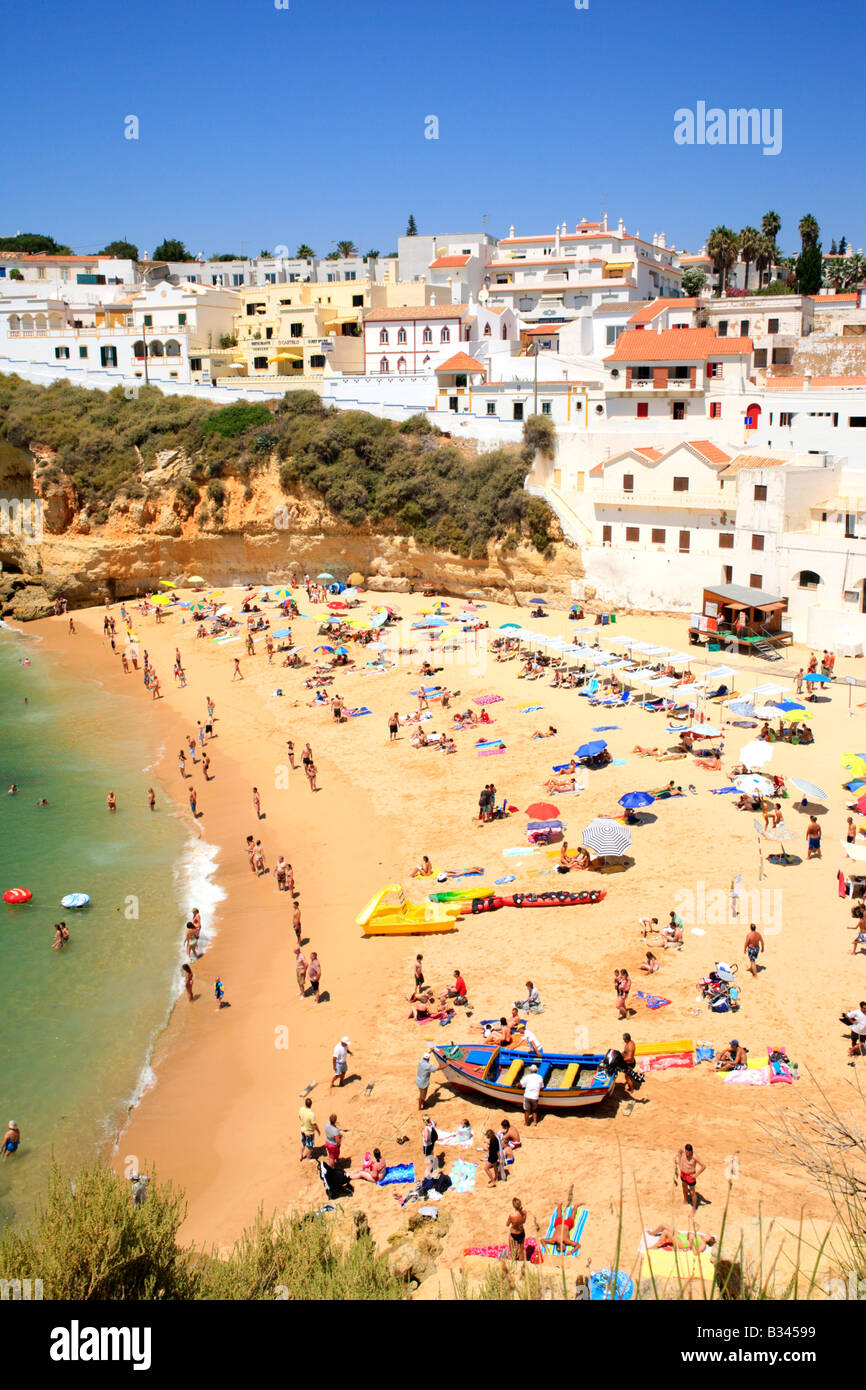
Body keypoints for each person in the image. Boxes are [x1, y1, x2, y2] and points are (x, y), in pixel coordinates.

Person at [675, 1143, 705, 1212]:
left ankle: (694, 1208)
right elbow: (679, 1150)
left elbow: (703, 1166)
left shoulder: (695, 1157)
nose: (686, 1154)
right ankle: (685, 1200)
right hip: (683, 1173)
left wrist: (696, 1174)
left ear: (691, 1152)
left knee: (692, 1192)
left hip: (690, 1175)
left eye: (687, 1153)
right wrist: (679, 1162)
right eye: (685, 1152)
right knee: (684, 1186)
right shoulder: (683, 1150)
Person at [648, 1226, 717, 1254]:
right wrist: (690, 1235)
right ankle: (653, 1233)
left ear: (708, 1240)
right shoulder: (701, 1236)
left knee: (666, 1232)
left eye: (709, 1236)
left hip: (682, 1243)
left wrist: (691, 1242)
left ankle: (655, 1246)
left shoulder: (703, 1245)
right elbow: (690, 1234)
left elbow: (695, 1253)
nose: (708, 1234)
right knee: (664, 1225)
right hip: (681, 1236)